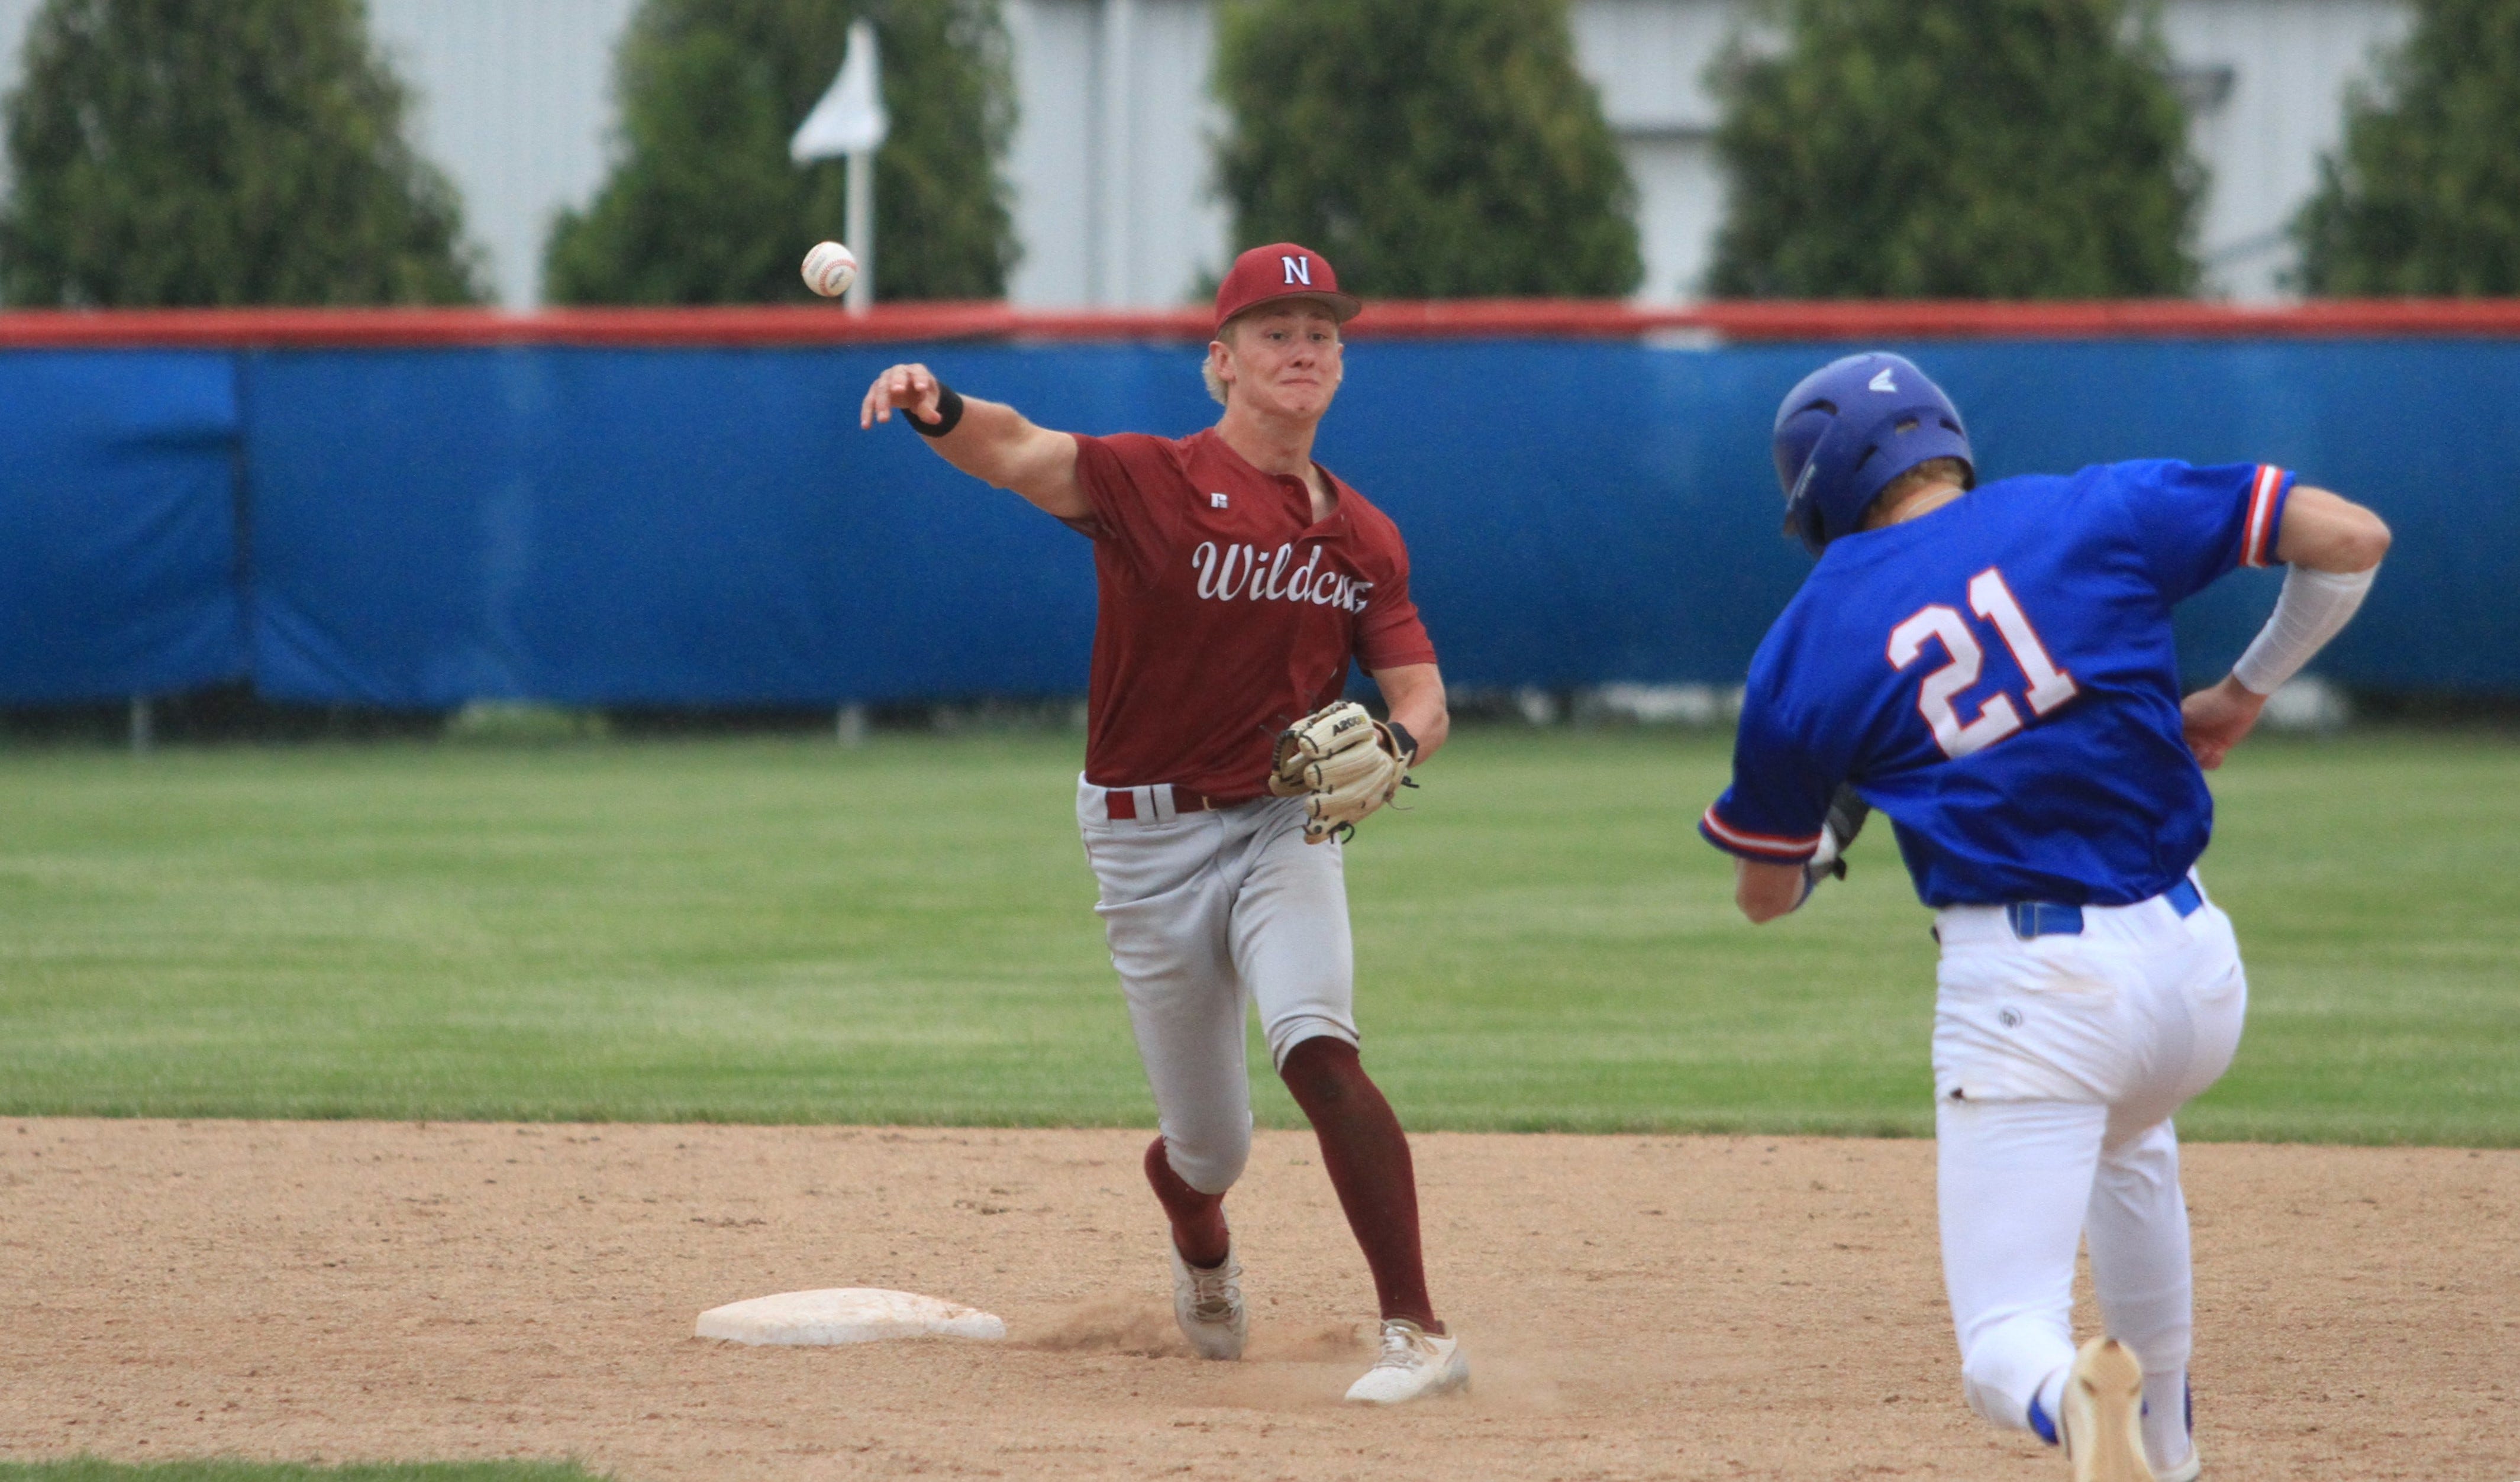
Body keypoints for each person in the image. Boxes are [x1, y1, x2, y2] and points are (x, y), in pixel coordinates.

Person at [1698, 353, 2389, 1481]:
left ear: (1818, 492)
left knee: (2000, 1342)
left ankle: (2075, 1403)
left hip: (2036, 1000)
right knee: (2131, 1135)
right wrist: (2247, 692)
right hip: (2196, 973)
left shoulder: (1806, 644)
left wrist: (1834, 828)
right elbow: (2351, 539)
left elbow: (1763, 893)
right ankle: (2164, 1446)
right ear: (1944, 441)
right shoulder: (2097, 505)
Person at [857, 242, 1467, 1404]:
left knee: (1318, 1045)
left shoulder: (1364, 536)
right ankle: (1199, 1229)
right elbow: (1022, 451)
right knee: (1211, 1148)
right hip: (1144, 836)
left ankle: (1420, 1330)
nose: (1302, 347)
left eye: (1321, 332)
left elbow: (1423, 696)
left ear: (1340, 363)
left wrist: (1394, 744)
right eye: (1275, 330)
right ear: (1221, 363)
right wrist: (939, 405)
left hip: (1286, 821)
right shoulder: (1151, 479)